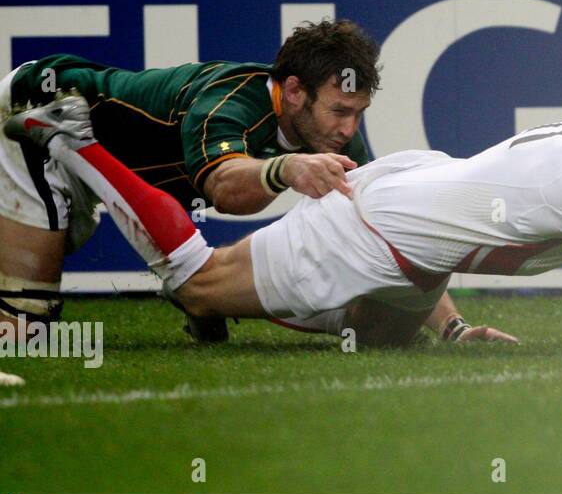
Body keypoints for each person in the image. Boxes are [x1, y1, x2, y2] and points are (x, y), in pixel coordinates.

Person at [5, 63, 562, 348]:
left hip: (423, 225)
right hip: (377, 229)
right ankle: (72, 137)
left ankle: (271, 312)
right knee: (197, 278)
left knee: (379, 339)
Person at [0, 19, 381, 341]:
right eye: (340, 111)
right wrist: (284, 169)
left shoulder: (333, 134)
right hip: (40, 111)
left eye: (360, 113)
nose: (350, 129)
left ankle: (197, 297)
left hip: (92, 160)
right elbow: (225, 190)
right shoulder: (230, 102)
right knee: (27, 331)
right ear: (295, 91)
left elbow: (383, 230)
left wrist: (443, 321)